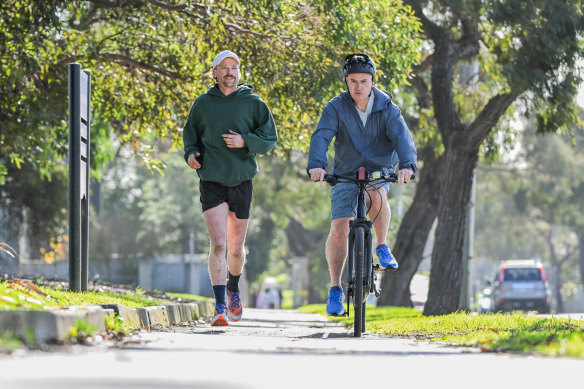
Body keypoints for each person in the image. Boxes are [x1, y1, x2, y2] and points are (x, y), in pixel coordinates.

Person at [307, 53, 417, 317]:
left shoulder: (387, 107)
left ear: (372, 81)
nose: (358, 87)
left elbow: (402, 137)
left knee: (377, 192)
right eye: (353, 81)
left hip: (379, 170)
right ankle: (335, 289)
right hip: (345, 172)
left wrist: (406, 165)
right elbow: (322, 136)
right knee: (339, 229)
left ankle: (381, 245)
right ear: (346, 81)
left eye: (364, 81)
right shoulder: (336, 107)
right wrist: (317, 164)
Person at [183, 50, 278, 326]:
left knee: (236, 249)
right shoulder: (202, 104)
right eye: (223, 68)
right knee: (219, 243)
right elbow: (190, 134)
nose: (229, 72)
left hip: (241, 180)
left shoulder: (253, 103)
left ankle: (234, 288)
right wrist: (190, 153)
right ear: (214, 73)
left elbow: (269, 137)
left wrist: (244, 141)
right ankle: (220, 307)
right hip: (211, 179)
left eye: (234, 68)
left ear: (239, 72)